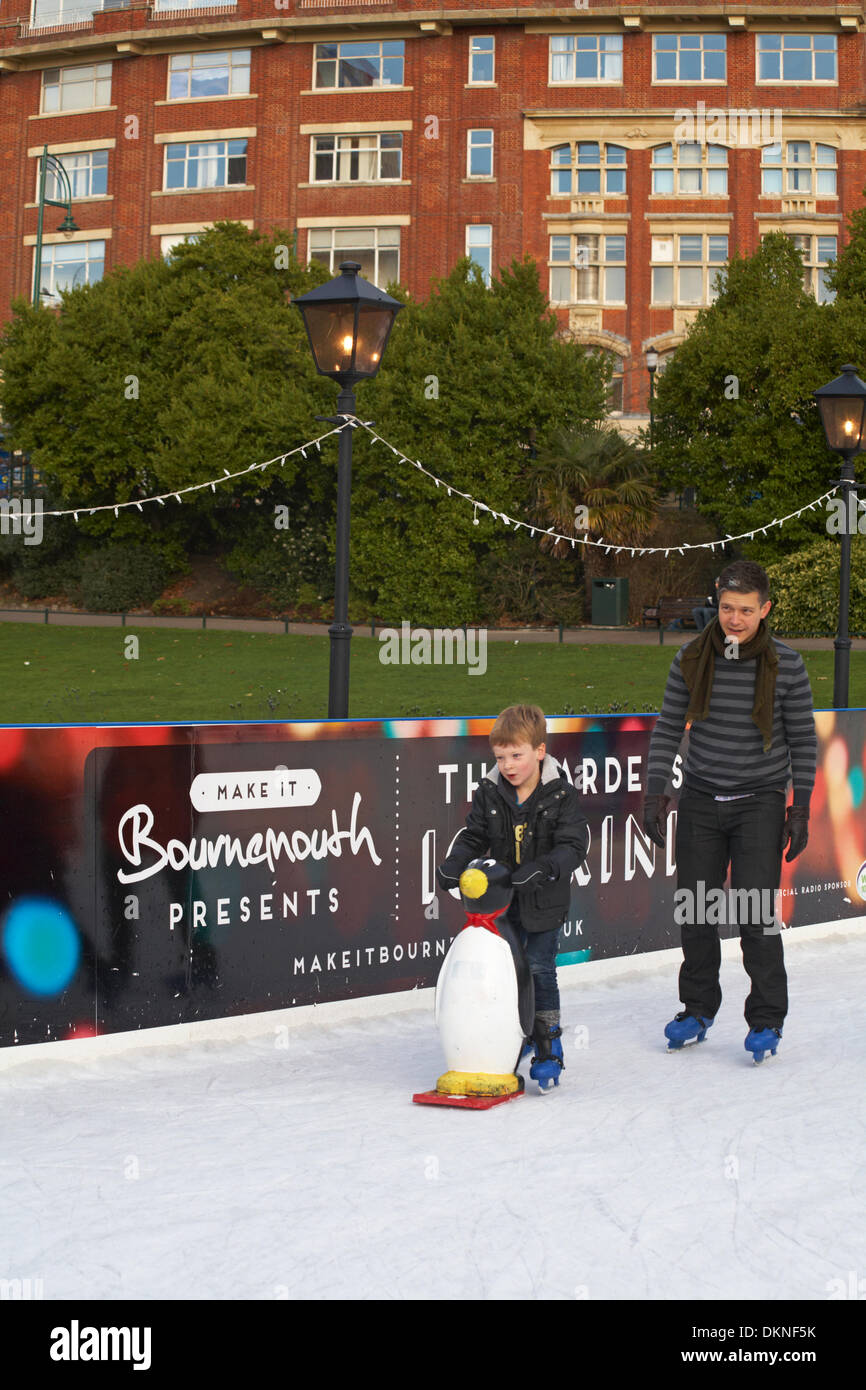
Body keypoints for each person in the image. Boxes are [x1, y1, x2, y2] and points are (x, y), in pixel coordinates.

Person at [642, 560, 816, 1063]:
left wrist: (798, 807)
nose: (734, 620)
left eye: (745, 610)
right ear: (715, 604)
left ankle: (765, 1017)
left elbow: (803, 741)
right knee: (695, 909)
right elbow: (669, 728)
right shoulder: (691, 658)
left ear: (765, 609)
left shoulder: (786, 665)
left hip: (759, 800)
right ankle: (697, 1008)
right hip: (700, 796)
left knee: (755, 913)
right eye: (726, 608)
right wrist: (656, 793)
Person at [436, 704, 589, 1091]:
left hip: (544, 904)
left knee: (538, 969)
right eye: (500, 756)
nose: (508, 764)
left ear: (540, 751)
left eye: (516, 755)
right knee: (504, 975)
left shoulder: (560, 795)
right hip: (501, 907)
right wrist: (454, 863)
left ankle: (548, 1045)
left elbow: (574, 845)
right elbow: (474, 835)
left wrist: (547, 867)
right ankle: (508, 1040)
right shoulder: (490, 791)